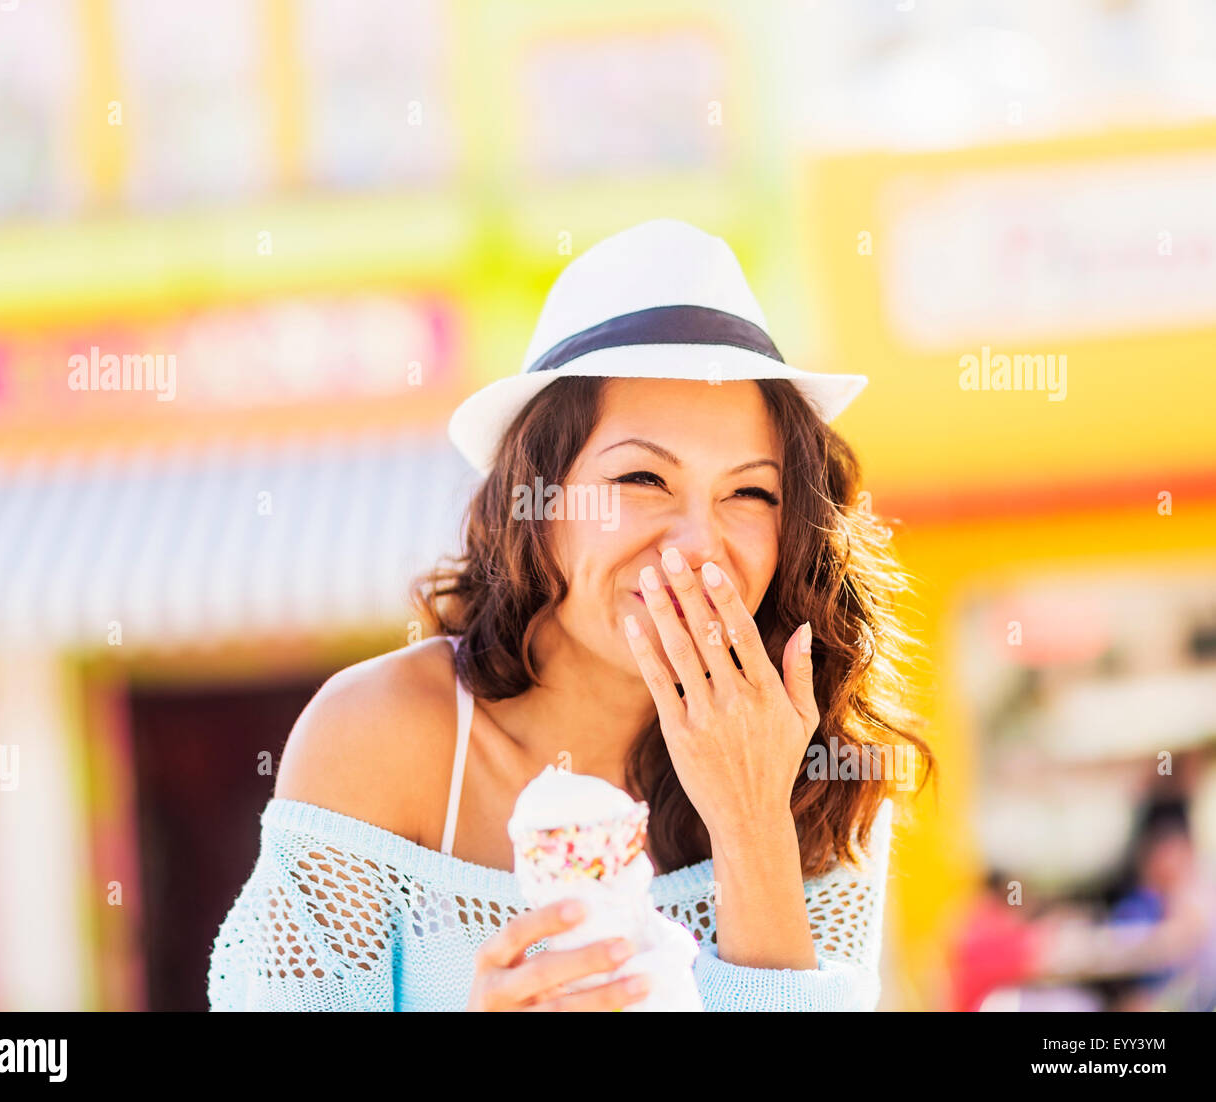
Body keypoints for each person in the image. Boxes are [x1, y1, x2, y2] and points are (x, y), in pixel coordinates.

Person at [207, 219, 933, 1011]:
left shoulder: (819, 762)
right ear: (537, 501)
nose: (699, 545)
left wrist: (753, 816)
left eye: (750, 492)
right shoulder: (379, 737)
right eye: (642, 480)